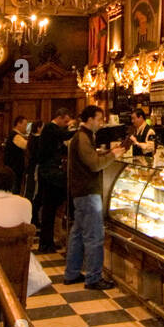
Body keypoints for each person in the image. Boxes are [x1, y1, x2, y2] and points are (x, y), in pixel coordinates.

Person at [63, 105, 125, 289]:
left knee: (77, 233)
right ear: (89, 119)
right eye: (99, 118)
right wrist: (112, 155)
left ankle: (72, 273)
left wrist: (106, 153)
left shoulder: (83, 136)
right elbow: (95, 165)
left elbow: (92, 158)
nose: (101, 122)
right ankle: (93, 278)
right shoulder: (82, 138)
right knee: (94, 236)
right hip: (88, 192)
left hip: (81, 192)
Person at [32, 109, 70, 253]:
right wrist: (82, 129)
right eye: (65, 121)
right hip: (48, 175)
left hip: (48, 174)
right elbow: (65, 135)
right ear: (59, 118)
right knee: (49, 209)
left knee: (49, 209)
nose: (66, 125)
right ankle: (46, 244)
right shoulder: (50, 128)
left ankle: (47, 242)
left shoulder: (52, 130)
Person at [3, 116, 29, 194]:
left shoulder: (15, 135)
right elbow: (26, 146)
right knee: (15, 187)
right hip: (14, 167)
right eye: (25, 125)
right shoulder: (16, 136)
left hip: (12, 166)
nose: (26, 127)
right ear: (18, 124)